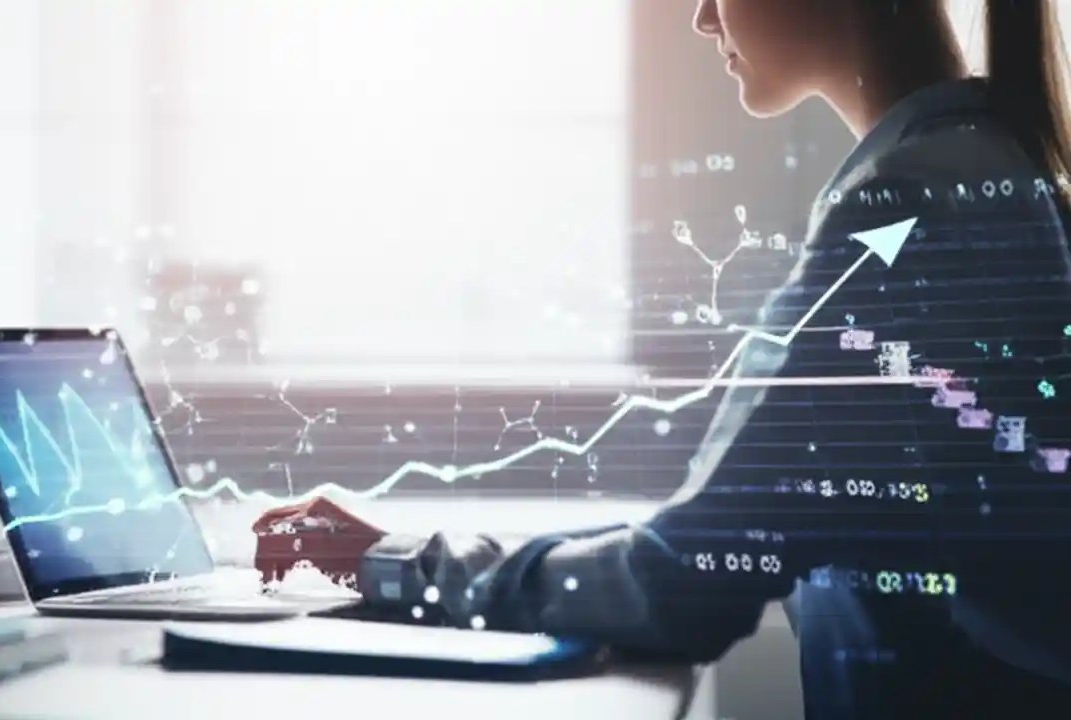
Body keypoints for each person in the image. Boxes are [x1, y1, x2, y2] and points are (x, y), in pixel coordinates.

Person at [253, 1, 1071, 716]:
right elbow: (718, 527)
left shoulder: (906, 206)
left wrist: (390, 562)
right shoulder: (994, 171)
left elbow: (684, 579)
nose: (702, 17)